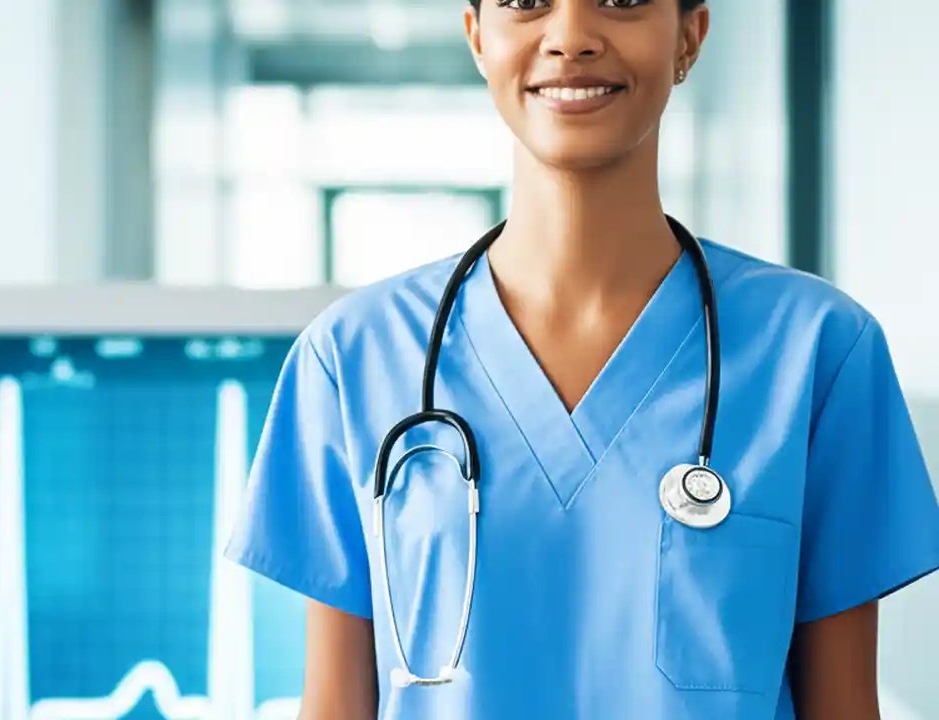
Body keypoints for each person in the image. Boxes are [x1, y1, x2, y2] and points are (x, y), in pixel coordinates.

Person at [223, 0, 939, 717]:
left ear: (689, 34)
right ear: (477, 36)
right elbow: (335, 705)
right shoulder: (353, 360)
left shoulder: (817, 354)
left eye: (623, 0)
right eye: (526, 2)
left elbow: (844, 706)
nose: (570, 37)